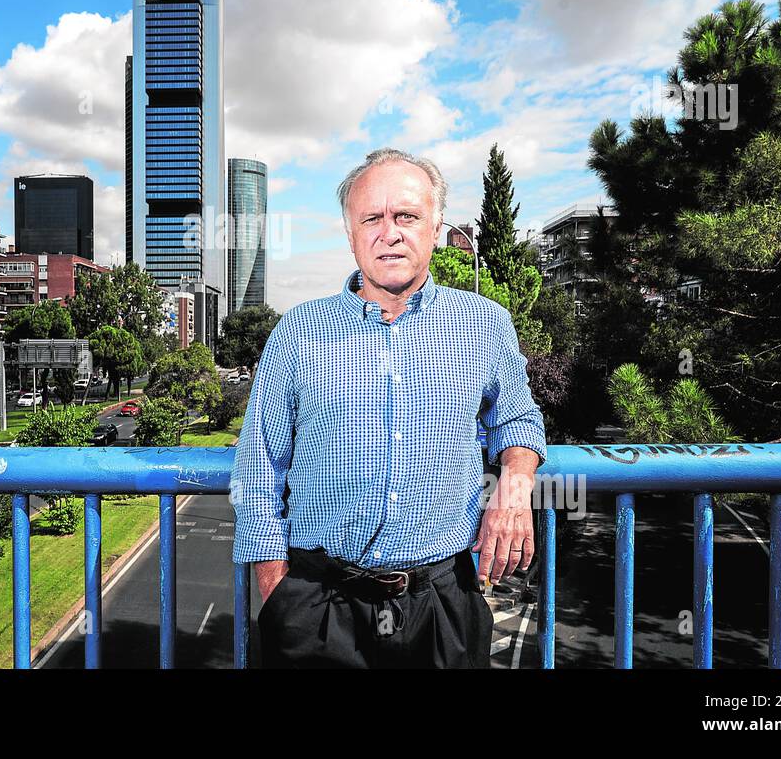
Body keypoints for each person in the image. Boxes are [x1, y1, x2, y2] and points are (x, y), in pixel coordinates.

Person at [232, 147, 546, 668]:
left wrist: (512, 490)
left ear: (436, 225)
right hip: (319, 608)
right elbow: (258, 466)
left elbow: (517, 418)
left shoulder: (485, 323)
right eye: (371, 218)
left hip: (443, 606)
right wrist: (279, 597)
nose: (390, 232)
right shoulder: (297, 331)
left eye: (406, 215)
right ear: (350, 233)